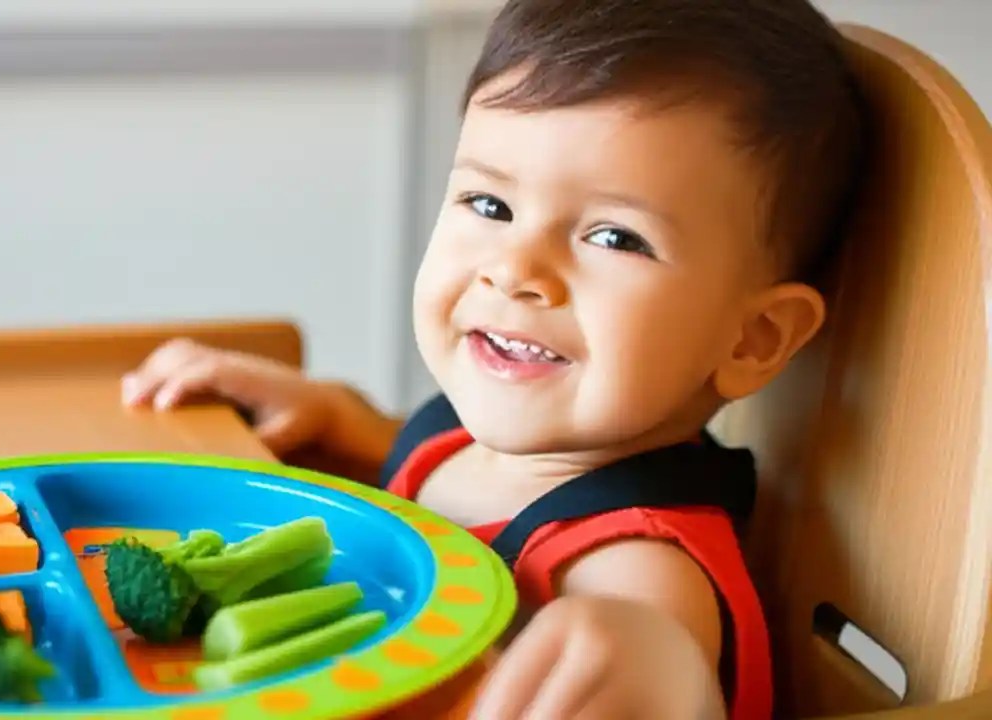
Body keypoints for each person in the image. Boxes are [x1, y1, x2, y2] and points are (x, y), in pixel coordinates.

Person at [121, 1, 865, 717]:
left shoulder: (637, 569)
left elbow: (660, 662)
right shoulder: (479, 444)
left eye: (612, 237)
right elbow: (449, 501)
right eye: (490, 205)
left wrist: (655, 661)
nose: (515, 270)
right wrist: (334, 413)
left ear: (753, 339)